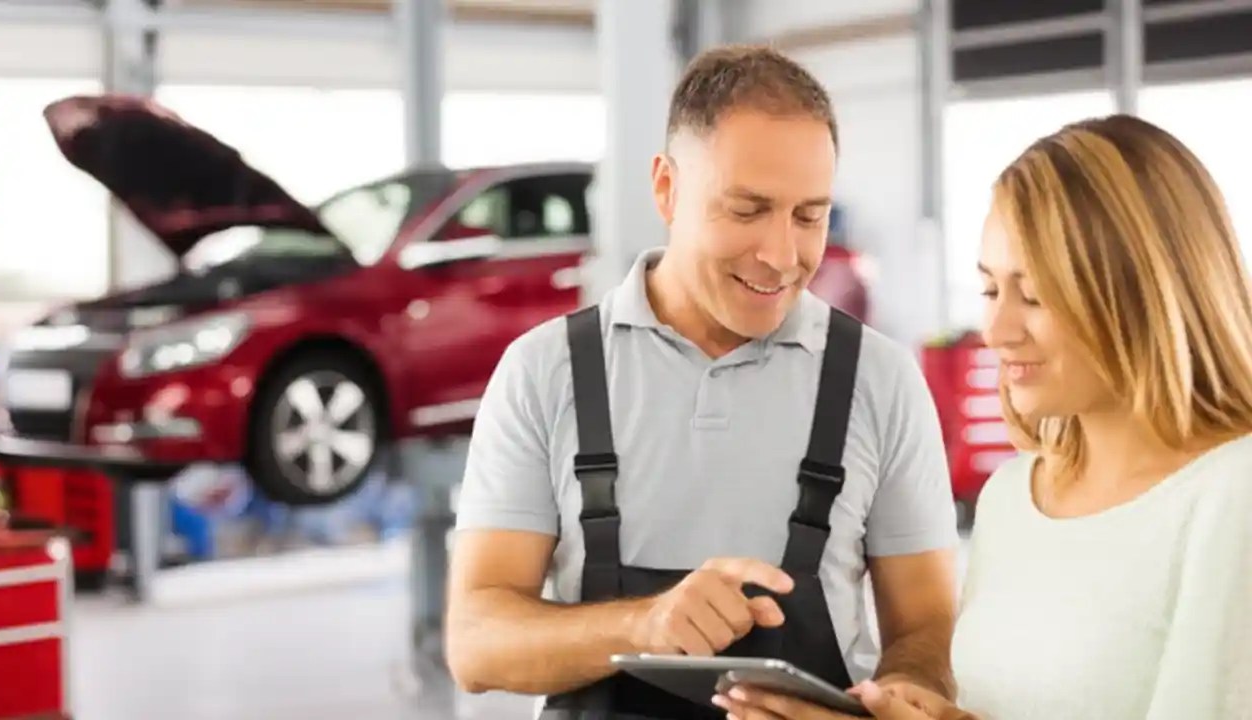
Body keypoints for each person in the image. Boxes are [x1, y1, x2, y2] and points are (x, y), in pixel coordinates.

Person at [443, 44, 961, 719]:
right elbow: (476, 644)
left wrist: (902, 699)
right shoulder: (545, 374)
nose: (781, 257)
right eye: (746, 211)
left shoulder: (880, 381)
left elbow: (927, 633)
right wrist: (643, 626)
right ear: (666, 188)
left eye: (809, 216)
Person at [721, 114, 1252, 719]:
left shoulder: (1232, 496)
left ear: (1145, 291)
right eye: (992, 291)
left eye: (1035, 295)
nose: (997, 332)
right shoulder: (1012, 498)